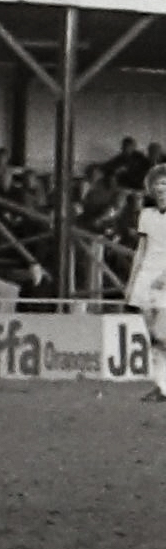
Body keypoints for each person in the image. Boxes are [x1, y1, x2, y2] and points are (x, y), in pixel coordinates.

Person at [127, 164, 166, 403]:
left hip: (164, 279)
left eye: (165, 184)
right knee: (153, 336)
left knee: (162, 332)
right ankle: (161, 385)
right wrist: (132, 282)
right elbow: (140, 251)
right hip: (146, 277)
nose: (161, 189)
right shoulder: (146, 216)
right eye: (158, 184)